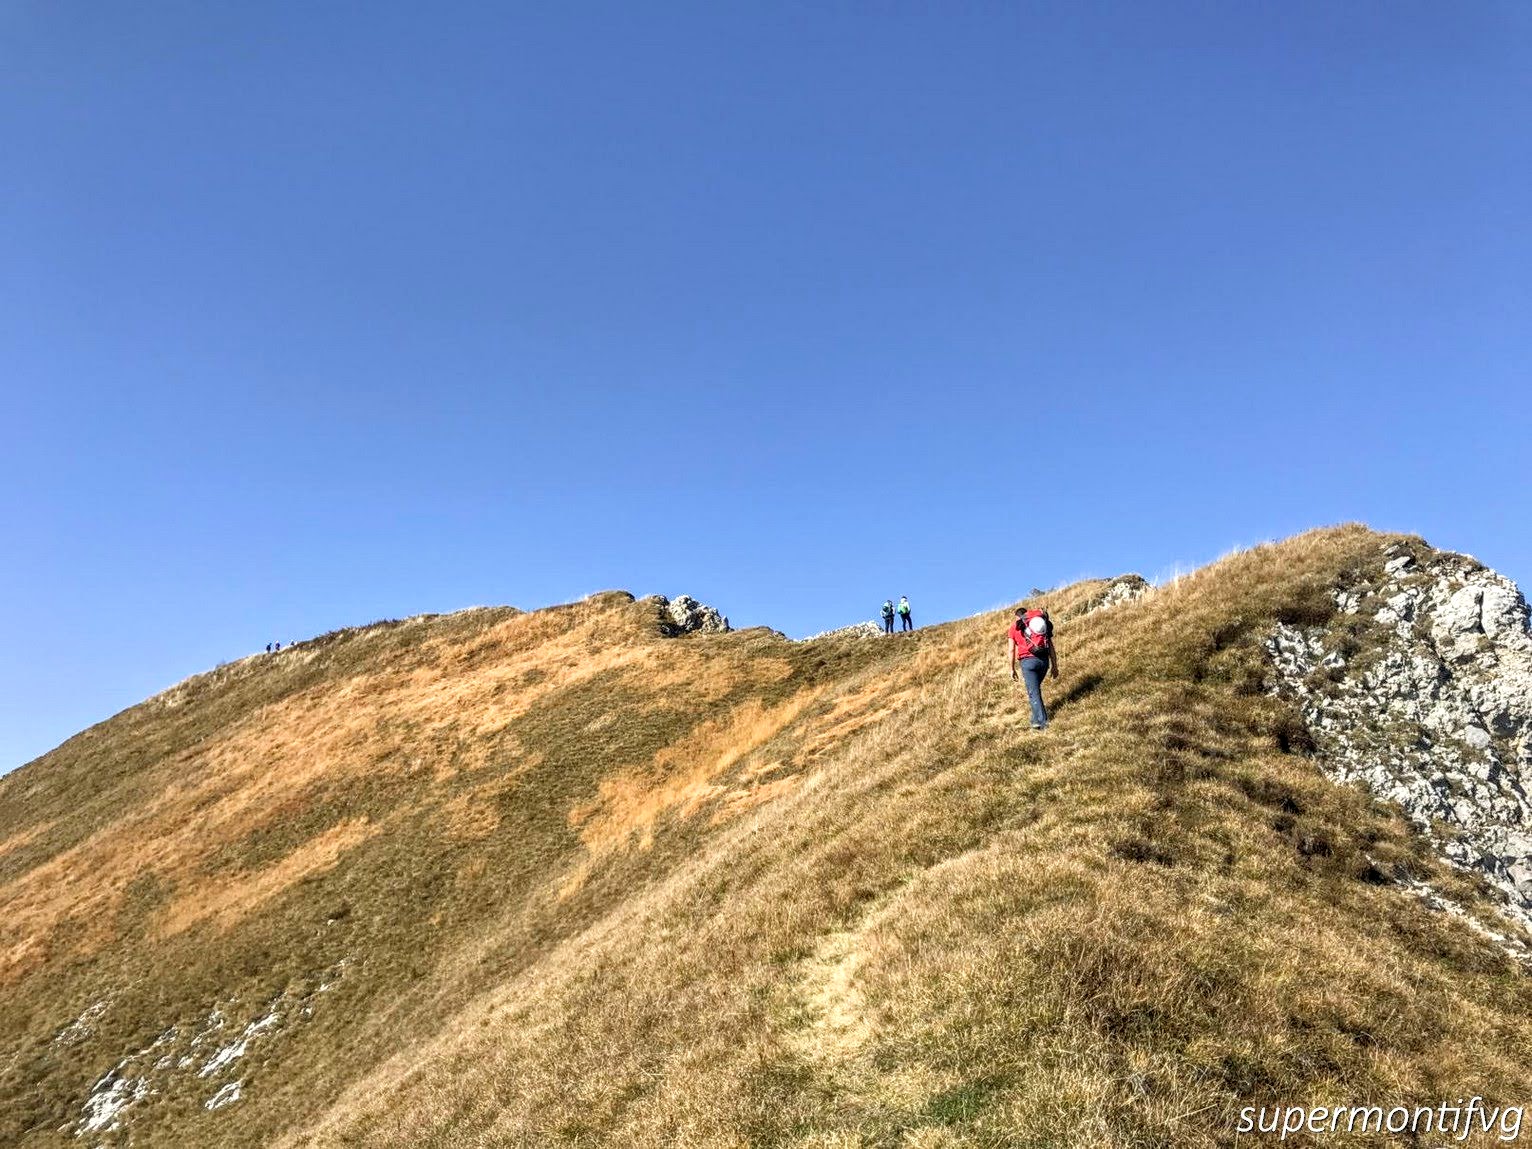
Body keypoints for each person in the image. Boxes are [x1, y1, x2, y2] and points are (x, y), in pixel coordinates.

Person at [1009, 606, 1059, 730]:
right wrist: (1054, 665)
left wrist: (1012, 668)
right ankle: (1034, 720)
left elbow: (1011, 650)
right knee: (1034, 691)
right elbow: (1051, 646)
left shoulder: (1014, 627)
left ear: (1017, 617)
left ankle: (1043, 723)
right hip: (1044, 661)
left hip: (1028, 663)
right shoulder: (1038, 623)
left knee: (1034, 692)